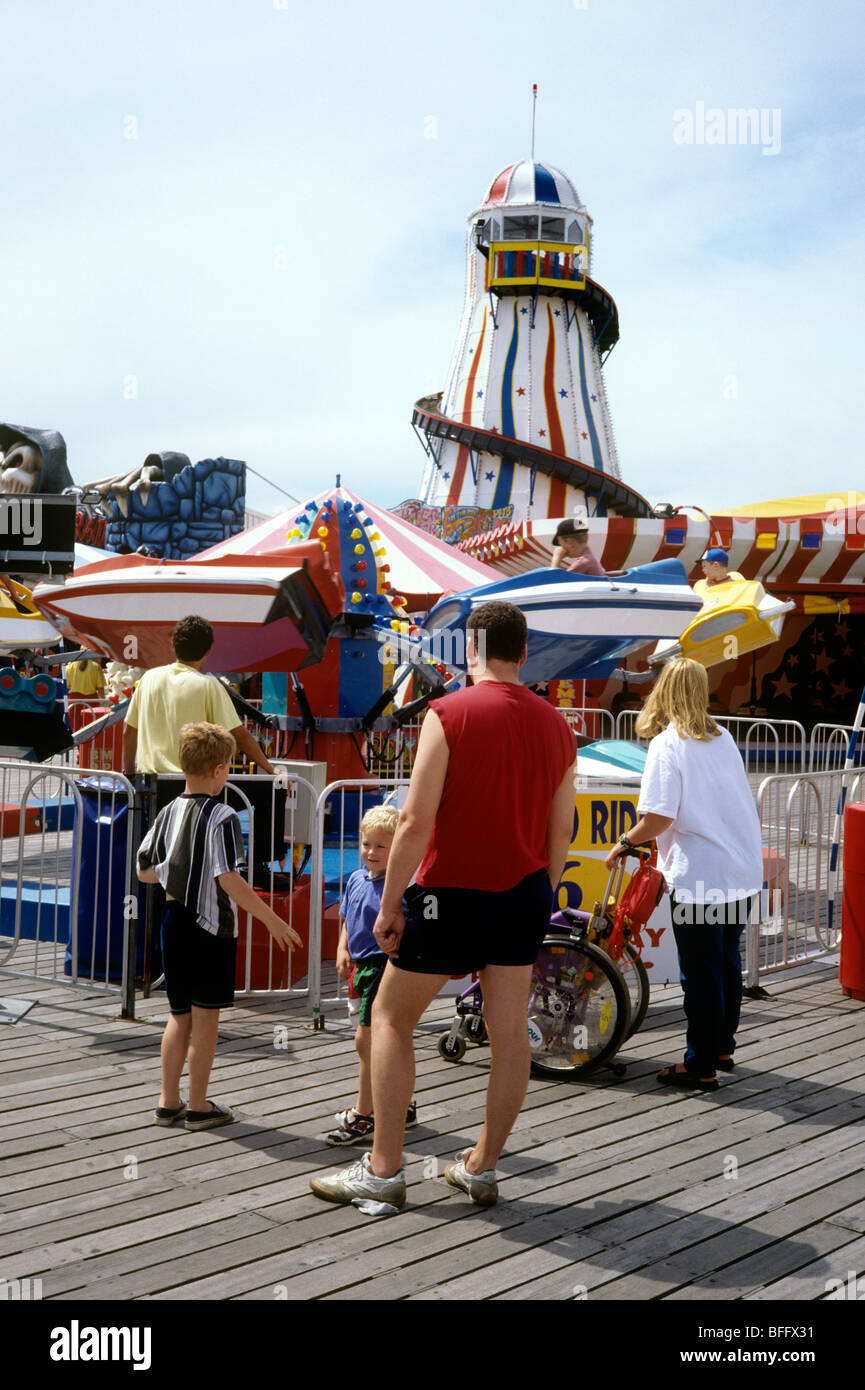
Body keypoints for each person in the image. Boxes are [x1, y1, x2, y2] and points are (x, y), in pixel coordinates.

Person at [309, 600, 578, 1209]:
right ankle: (480, 1166)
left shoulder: (448, 712)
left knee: (389, 1017)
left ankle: (383, 1170)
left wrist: (390, 903)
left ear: (471, 649)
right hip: (523, 894)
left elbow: (413, 820)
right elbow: (559, 835)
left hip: (449, 894)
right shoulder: (558, 726)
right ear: (524, 652)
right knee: (510, 1036)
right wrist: (536, 893)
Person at [604, 658, 762, 1090]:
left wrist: (623, 843)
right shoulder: (723, 736)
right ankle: (721, 1046)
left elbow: (657, 817)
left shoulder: (668, 743)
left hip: (700, 875)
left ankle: (701, 1064)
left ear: (663, 690)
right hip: (740, 869)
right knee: (727, 962)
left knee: (701, 972)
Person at [136, 722, 301, 1131]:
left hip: (173, 921)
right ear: (218, 770)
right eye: (228, 767)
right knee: (206, 1017)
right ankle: (197, 1105)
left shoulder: (168, 810)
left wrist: (179, 875)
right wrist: (272, 919)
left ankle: (166, 1100)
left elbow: (143, 870)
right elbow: (228, 877)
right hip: (210, 928)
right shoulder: (223, 815)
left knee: (178, 1015)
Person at [326, 804, 418, 1145]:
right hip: (360, 966)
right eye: (367, 844)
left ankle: (365, 1114)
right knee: (374, 1041)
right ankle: (403, 1103)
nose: (371, 852)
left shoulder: (400, 888)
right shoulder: (355, 879)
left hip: (384, 965)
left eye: (381, 846)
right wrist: (342, 947)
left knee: (368, 1041)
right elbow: (348, 918)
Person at [122, 615, 275, 776]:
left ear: (173, 645)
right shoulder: (209, 685)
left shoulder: (148, 679)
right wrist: (271, 769)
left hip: (148, 786)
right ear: (209, 650)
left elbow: (129, 733)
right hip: (192, 786)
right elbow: (240, 736)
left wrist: (130, 774)